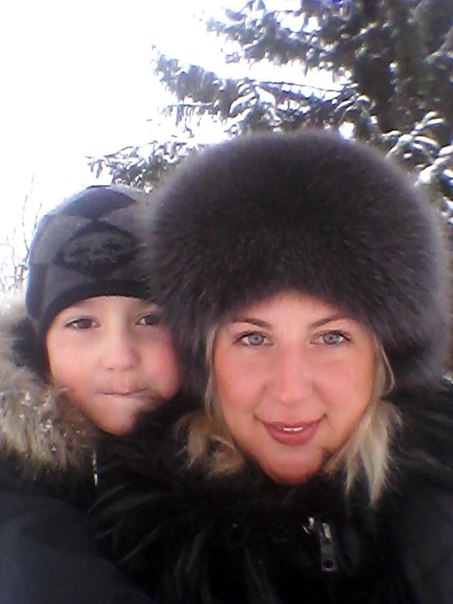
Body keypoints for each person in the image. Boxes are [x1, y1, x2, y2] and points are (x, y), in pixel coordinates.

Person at [96, 130, 453, 604]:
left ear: (385, 356)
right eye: (253, 338)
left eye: (331, 337)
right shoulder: (122, 542)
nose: (290, 392)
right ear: (204, 360)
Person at [0, 184, 180, 604]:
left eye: (150, 320)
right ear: (41, 347)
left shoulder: (238, 454)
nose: (120, 357)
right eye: (82, 324)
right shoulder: (16, 481)